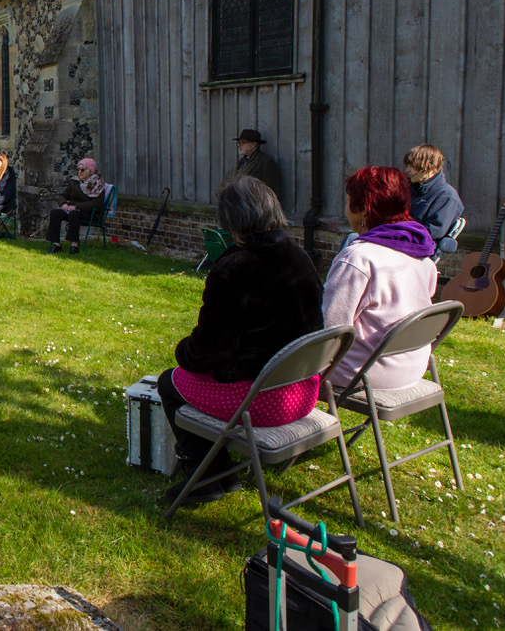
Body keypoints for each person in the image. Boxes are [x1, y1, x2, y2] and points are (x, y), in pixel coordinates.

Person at [156, 177, 324, 505]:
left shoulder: (234, 268)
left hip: (264, 401)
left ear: (229, 219)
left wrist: (182, 352)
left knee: (170, 382)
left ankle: (205, 476)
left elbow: (206, 351)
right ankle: (219, 473)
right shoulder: (300, 256)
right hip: (305, 389)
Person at [324, 166, 438, 391]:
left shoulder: (358, 258)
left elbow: (332, 332)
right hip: (413, 365)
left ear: (364, 209)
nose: (346, 211)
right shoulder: (422, 254)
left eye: (347, 203)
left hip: (366, 373)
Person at [403, 144, 464, 249]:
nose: (407, 170)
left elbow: (433, 232)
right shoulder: (410, 189)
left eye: (412, 166)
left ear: (428, 166)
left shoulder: (446, 196)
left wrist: (398, 235)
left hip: (418, 251)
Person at [43, 158, 107, 254]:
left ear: (90, 171)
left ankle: (74, 245)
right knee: (55, 213)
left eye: (82, 170)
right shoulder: (74, 182)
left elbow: (96, 203)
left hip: (90, 213)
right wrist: (63, 204)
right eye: (78, 169)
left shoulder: (97, 184)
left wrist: (77, 207)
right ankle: (56, 244)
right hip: (72, 209)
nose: (79, 172)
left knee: (74, 214)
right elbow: (63, 195)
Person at [224, 128, 280, 199]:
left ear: (253, 144)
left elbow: (269, 189)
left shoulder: (266, 162)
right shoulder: (241, 162)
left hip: (256, 203)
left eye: (242, 143)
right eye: (239, 143)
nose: (239, 145)